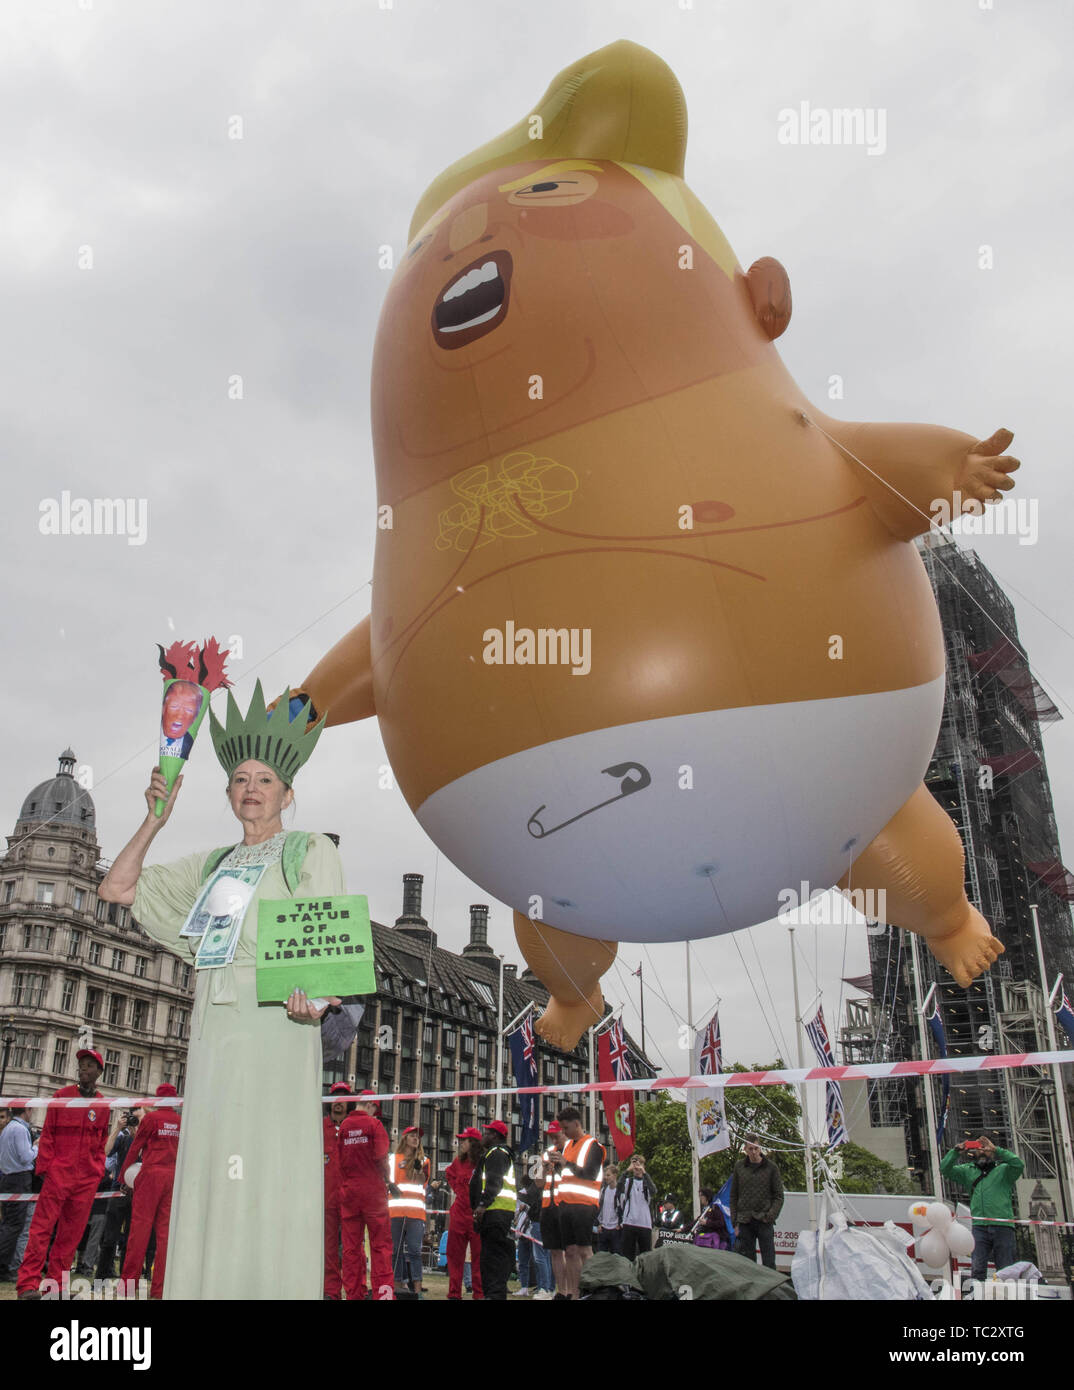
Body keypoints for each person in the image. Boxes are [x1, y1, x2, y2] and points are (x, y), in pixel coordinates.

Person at [97, 681, 343, 1298]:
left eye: (264, 778)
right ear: (229, 793)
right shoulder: (210, 866)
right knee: (211, 1167)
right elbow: (117, 890)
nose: (251, 788)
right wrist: (154, 820)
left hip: (278, 1029)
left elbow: (329, 947)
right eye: (239, 778)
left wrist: (318, 998)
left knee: (268, 1164)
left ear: (289, 792)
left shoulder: (307, 849)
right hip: (212, 1036)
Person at [16, 1049, 110, 1298]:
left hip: (86, 1179)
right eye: (81, 1064)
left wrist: (97, 1170)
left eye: (90, 1065)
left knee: (71, 1235)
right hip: (59, 1173)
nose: (83, 1069)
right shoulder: (61, 1096)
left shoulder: (102, 1104)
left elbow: (101, 1142)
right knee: (41, 1230)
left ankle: (55, 1286)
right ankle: (27, 1284)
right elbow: (47, 1135)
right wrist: (46, 1168)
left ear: (99, 1071)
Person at [117, 1084, 181, 1298]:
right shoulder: (181, 1121)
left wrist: (123, 1175)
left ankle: (128, 1285)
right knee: (164, 1236)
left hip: (151, 1174)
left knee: (139, 1231)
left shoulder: (152, 1120)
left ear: (158, 1099)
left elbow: (136, 1147)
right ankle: (159, 1288)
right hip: (172, 1177)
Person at [940, 1135, 1025, 1281]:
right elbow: (945, 1169)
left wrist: (997, 1149)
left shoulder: (1004, 1170)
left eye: (986, 1149)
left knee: (1005, 1270)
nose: (982, 1152)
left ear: (992, 1152)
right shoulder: (968, 1170)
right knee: (978, 1268)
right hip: (979, 1227)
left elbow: (1018, 1164)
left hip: (1003, 1225)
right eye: (979, 1149)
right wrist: (955, 1152)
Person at [339, 1092, 394, 1300]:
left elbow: (340, 1160)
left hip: (350, 1191)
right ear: (371, 1106)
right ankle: (383, 1295)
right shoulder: (375, 1126)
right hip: (373, 1191)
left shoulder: (344, 1126)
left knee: (351, 1248)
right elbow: (381, 1156)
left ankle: (354, 1294)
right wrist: (387, 1179)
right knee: (380, 1246)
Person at [552, 1106, 604, 1299]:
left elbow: (589, 1174)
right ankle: (574, 1294)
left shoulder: (593, 1145)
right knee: (570, 1251)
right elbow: (565, 1174)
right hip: (565, 1204)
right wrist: (557, 1165)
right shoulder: (567, 1146)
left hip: (584, 1205)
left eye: (566, 1128)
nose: (563, 1132)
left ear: (577, 1124)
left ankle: (592, 1291)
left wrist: (566, 1163)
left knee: (584, 1249)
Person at [470, 1119, 517, 1300]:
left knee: (494, 1257)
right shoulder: (493, 1154)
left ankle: (495, 1295)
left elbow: (494, 1181)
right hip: (496, 1212)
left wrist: (483, 1204)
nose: (484, 1136)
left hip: (496, 1212)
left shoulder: (497, 1154)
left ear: (495, 1136)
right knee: (490, 1257)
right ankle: (493, 1293)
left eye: (487, 1133)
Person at [438, 1127, 484, 1301]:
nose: (461, 1143)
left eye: (464, 1140)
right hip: (459, 1214)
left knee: (478, 1258)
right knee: (454, 1256)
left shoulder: (482, 1163)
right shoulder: (459, 1161)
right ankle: (454, 1294)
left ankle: (479, 1294)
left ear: (473, 1143)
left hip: (476, 1215)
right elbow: (449, 1174)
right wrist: (458, 1189)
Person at [96, 1107, 141, 1280]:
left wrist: (137, 1131)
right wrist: (117, 1128)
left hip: (138, 1194)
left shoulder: (147, 1139)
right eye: (132, 1118)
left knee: (131, 1240)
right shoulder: (123, 1139)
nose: (134, 1122)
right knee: (109, 1239)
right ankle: (101, 1276)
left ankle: (126, 1279)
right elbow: (106, 1151)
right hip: (118, 1191)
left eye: (137, 1118)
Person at [730, 1134, 783, 1270]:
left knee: (769, 1261)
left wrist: (770, 1216)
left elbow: (779, 1196)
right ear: (745, 1150)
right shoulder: (739, 1167)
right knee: (747, 1262)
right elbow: (734, 1195)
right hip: (744, 1220)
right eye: (750, 1149)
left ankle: (771, 1289)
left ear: (760, 1148)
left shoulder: (771, 1168)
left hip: (764, 1219)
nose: (753, 1152)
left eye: (756, 1148)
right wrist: (735, 1221)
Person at [390, 1125, 430, 1294]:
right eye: (412, 1135)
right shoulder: (392, 1159)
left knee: (414, 1250)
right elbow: (388, 1181)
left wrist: (418, 1168)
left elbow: (422, 1180)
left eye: (418, 1136)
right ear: (405, 1138)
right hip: (395, 1211)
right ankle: (398, 1285)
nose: (416, 1138)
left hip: (416, 1214)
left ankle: (417, 1290)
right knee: (395, 1251)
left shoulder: (424, 1160)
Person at [323, 1082, 353, 1300]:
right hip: (327, 1199)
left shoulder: (354, 1127)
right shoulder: (318, 1127)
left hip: (351, 1199)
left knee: (353, 1248)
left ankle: (355, 1290)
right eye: (335, 1098)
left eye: (343, 1099)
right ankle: (332, 1292)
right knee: (329, 1249)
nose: (338, 1103)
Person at [0, 1106, 38, 1282]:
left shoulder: (8, 1128)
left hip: (9, 1178)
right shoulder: (21, 1129)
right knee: (14, 1226)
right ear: (27, 1110)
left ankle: (4, 1264)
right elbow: (25, 1156)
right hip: (19, 1179)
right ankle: (3, 1267)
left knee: (8, 1224)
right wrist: (37, 1148)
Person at [539, 1119, 568, 1297]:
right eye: (551, 1137)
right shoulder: (547, 1153)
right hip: (548, 1207)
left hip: (566, 1206)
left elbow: (578, 1176)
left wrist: (561, 1165)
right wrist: (543, 1168)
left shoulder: (573, 1152)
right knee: (555, 1251)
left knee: (570, 1252)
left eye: (556, 1136)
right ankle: (561, 1291)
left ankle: (571, 1290)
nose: (553, 1141)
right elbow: (538, 1183)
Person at [616, 1151, 657, 1260]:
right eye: (635, 1164)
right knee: (627, 1255)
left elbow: (653, 1191)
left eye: (639, 1164)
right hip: (629, 1222)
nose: (637, 1167)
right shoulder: (628, 1182)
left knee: (646, 1256)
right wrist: (627, 1171)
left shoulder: (646, 1182)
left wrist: (644, 1173)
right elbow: (619, 1187)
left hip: (644, 1223)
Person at [159, 680, 203, 759]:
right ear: (163, 708)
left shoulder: (193, 745)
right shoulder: (144, 733)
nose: (180, 715)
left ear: (195, 717)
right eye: (174, 707)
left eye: (189, 710)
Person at [596, 1162, 621, 1254]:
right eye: (605, 1175)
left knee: (616, 1256)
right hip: (604, 1228)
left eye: (608, 1175)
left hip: (615, 1229)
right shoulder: (603, 1191)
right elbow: (600, 1208)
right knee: (602, 1256)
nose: (605, 1177)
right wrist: (599, 1223)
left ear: (615, 1175)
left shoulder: (620, 1191)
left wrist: (620, 1223)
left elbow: (623, 1208)